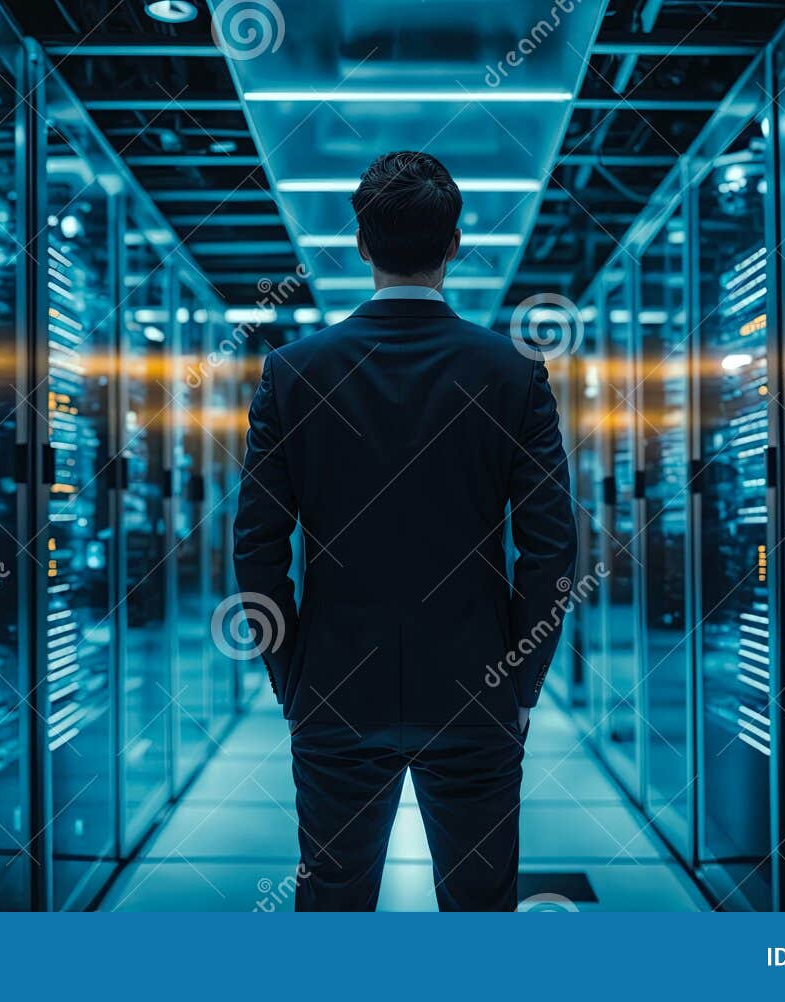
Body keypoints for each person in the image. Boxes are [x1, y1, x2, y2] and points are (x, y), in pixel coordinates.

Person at [232, 150, 577, 911]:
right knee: (480, 909)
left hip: (333, 689)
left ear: (362, 244)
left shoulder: (294, 372)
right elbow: (551, 548)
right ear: (455, 244)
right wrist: (520, 681)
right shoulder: (511, 372)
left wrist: (292, 678)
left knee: (333, 905)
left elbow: (256, 548)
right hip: (477, 688)